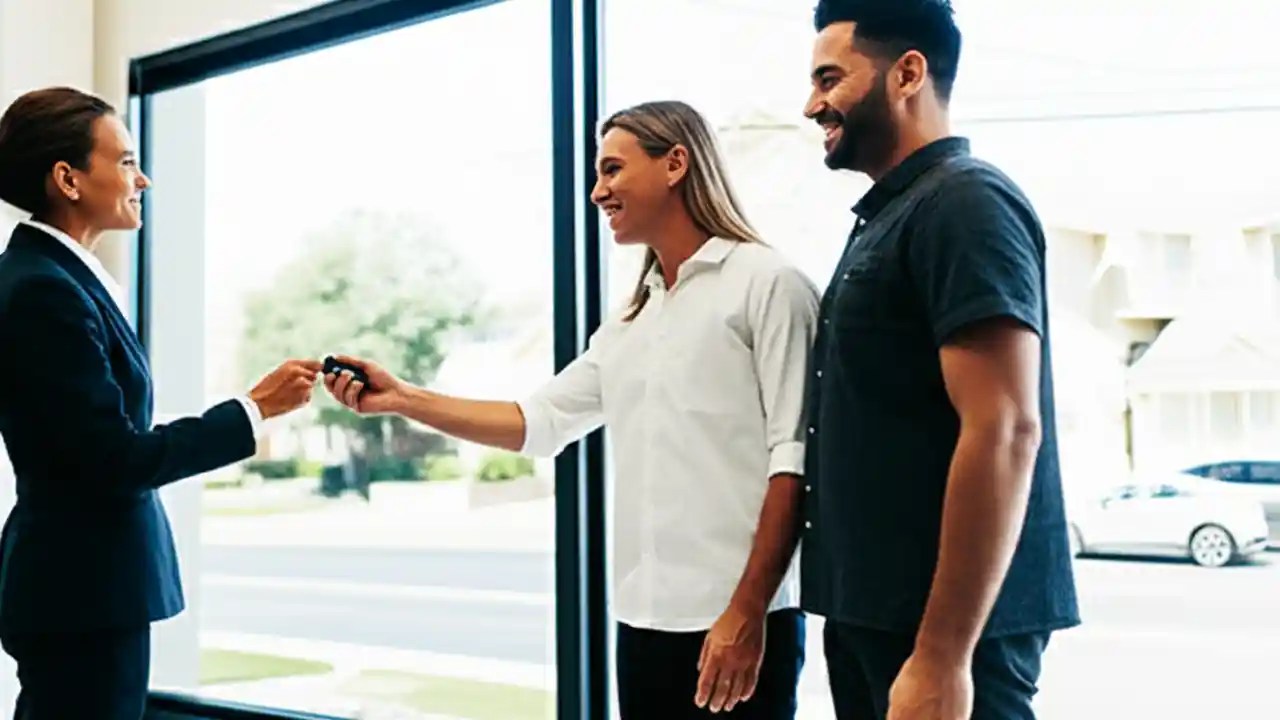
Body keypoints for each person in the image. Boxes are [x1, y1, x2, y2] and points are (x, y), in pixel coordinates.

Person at [325, 100, 818, 719]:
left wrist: (746, 613)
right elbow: (539, 423)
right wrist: (403, 399)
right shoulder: (633, 320)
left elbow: (793, 462)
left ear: (676, 163)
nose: (597, 191)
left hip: (738, 626)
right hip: (641, 626)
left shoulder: (768, 283)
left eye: (613, 169)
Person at [798, 2, 1081, 719]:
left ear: (908, 74)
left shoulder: (966, 203)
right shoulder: (889, 215)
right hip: (875, 617)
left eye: (829, 78)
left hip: (944, 639)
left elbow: (1007, 429)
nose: (812, 105)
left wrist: (943, 656)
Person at [0, 86, 320, 719]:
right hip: (81, 591)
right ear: (67, 178)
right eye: (124, 162)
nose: (141, 178)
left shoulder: (53, 279)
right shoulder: (43, 291)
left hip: (82, 589)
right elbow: (113, 458)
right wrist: (253, 409)